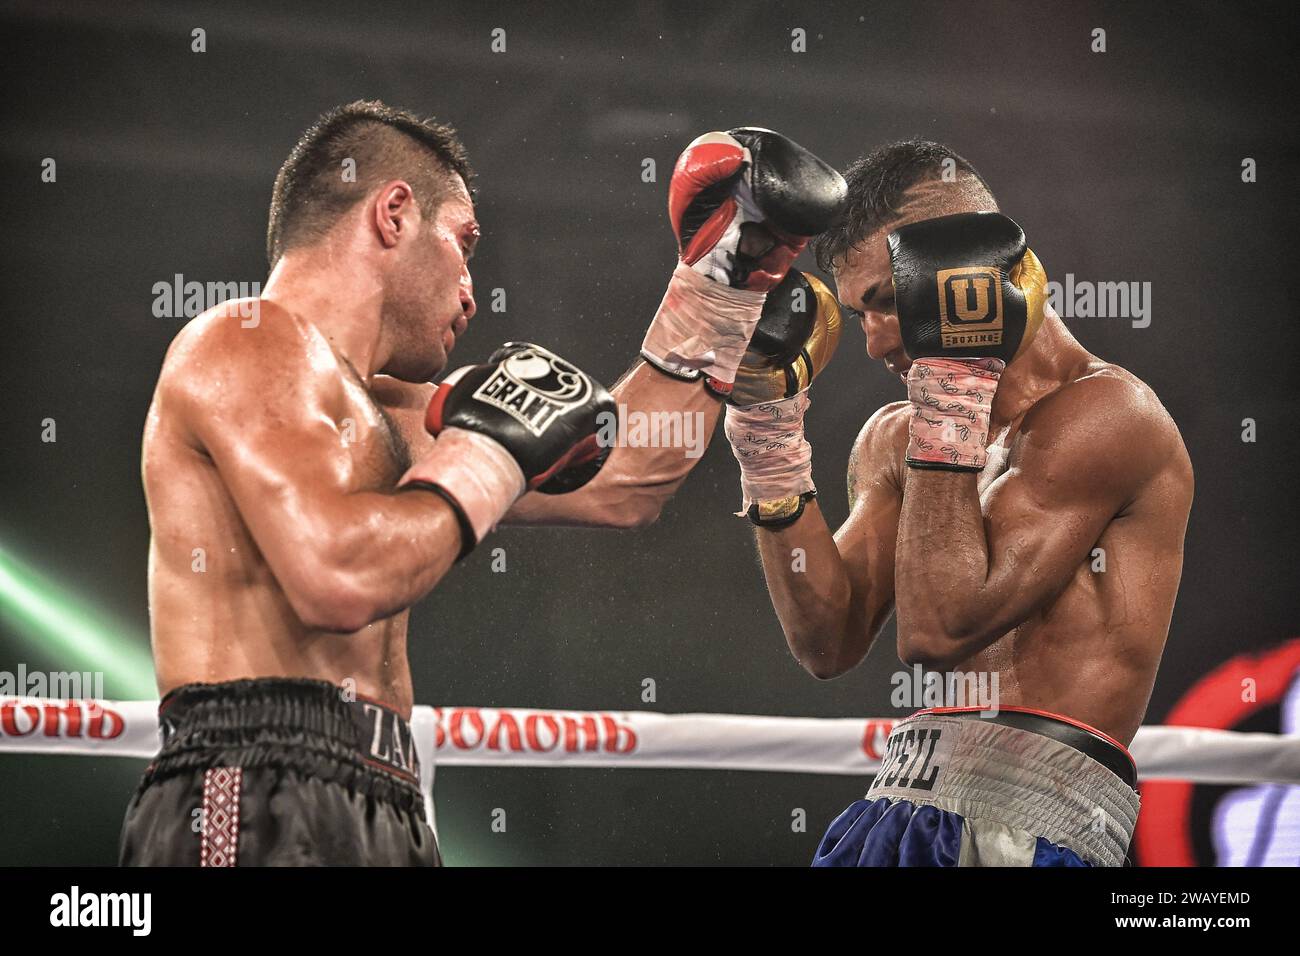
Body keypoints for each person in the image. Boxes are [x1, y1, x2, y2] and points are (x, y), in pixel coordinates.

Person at [121, 99, 845, 866]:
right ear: (394, 212)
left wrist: (724, 284)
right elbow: (336, 575)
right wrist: (490, 456)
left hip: (386, 791)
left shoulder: (389, 411)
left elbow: (628, 476)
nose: (471, 287)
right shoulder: (243, 340)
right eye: (463, 244)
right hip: (255, 781)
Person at [722, 141, 1194, 866]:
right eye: (858, 312)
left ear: (965, 274)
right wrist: (767, 440)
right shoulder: (893, 436)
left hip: (1029, 823)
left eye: (886, 300)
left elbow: (940, 629)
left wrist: (951, 392)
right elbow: (827, 642)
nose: (874, 341)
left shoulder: (1110, 416)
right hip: (893, 809)